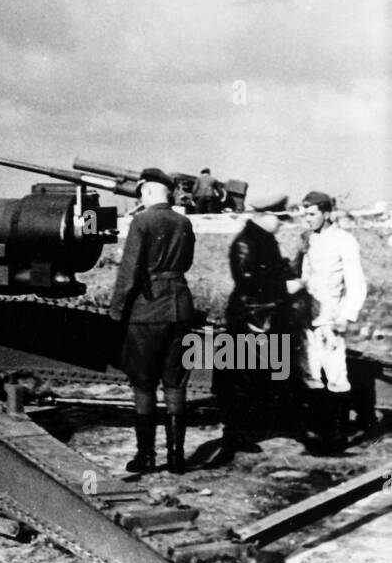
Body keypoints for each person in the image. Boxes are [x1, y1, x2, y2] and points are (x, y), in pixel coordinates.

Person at [109, 167, 196, 474]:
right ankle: (176, 458)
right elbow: (186, 262)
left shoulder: (142, 221)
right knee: (175, 384)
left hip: (148, 312)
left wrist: (117, 311)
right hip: (181, 308)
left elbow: (129, 271)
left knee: (143, 384)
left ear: (147, 192)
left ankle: (146, 457)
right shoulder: (184, 222)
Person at [211, 195, 302, 462]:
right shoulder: (246, 242)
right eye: (280, 218)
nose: (282, 224)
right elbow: (248, 281)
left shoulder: (262, 239)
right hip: (251, 320)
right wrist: (285, 287)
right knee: (242, 381)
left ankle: (246, 432)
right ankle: (236, 435)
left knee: (255, 379)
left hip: (265, 318)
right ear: (265, 216)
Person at [295, 190, 367, 454]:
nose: (308, 220)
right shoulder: (307, 239)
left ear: (327, 213)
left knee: (336, 375)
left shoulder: (344, 241)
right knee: (310, 375)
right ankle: (316, 436)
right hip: (307, 320)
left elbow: (356, 282)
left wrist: (347, 315)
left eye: (312, 214)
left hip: (331, 319)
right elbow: (303, 276)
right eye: (305, 215)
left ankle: (337, 437)